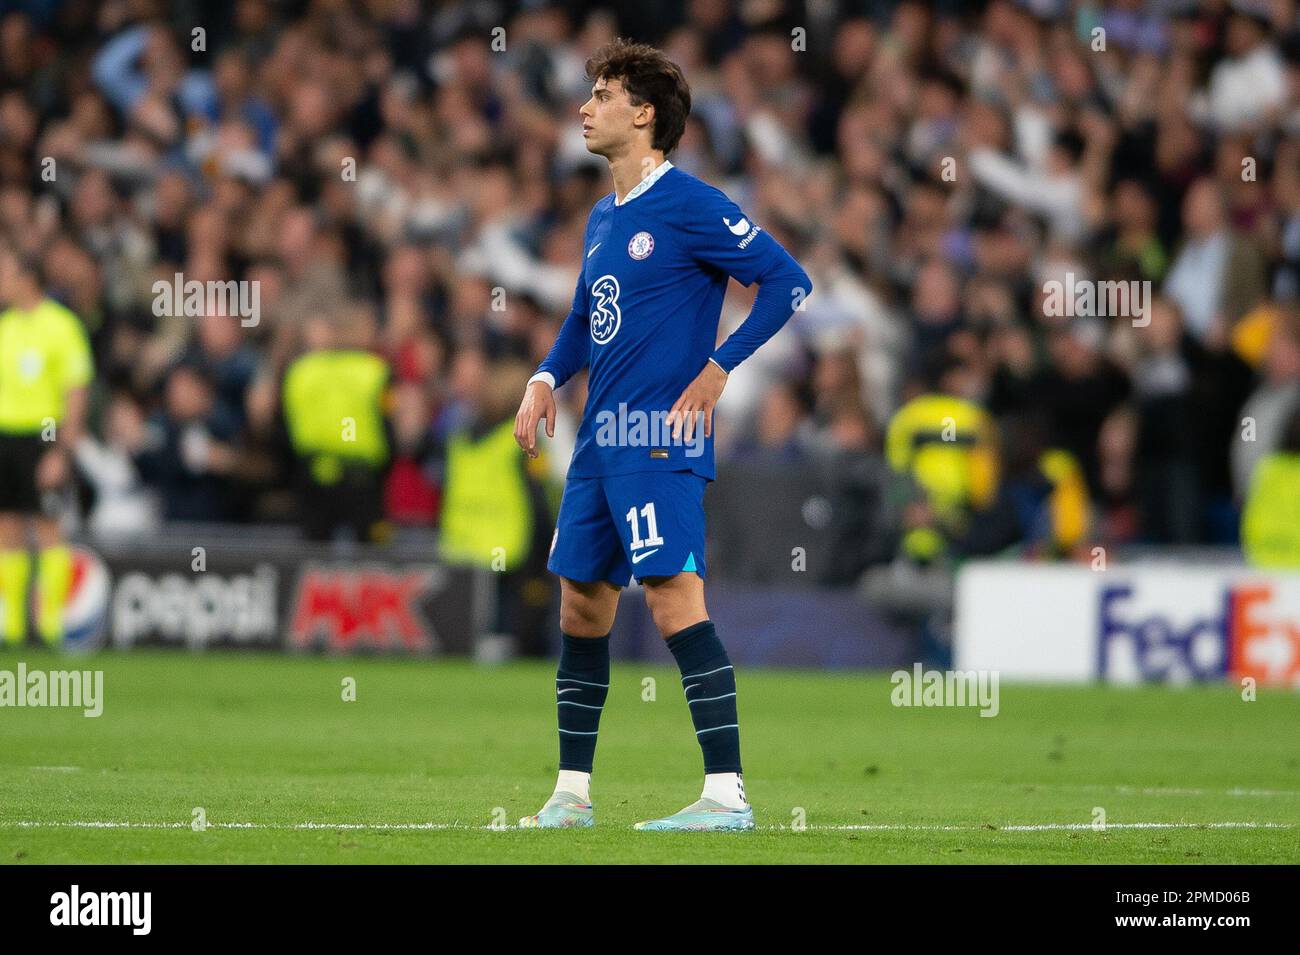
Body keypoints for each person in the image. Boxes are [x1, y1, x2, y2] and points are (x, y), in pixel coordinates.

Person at [513, 39, 811, 831]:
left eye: (602, 94)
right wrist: (545, 377)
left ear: (643, 114)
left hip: (658, 437)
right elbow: (585, 319)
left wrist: (720, 367)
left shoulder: (692, 204)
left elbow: (789, 282)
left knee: (675, 600)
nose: (585, 106)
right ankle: (571, 793)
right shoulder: (604, 216)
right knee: (581, 605)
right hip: (600, 444)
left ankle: (727, 795)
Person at [0, 247, 92, 646]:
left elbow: (76, 392)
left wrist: (61, 451)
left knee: (49, 527)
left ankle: (53, 624)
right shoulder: (5, 326)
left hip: (45, 437)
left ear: (27, 278)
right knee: (7, 528)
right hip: (6, 438)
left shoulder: (62, 326)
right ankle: (14, 625)